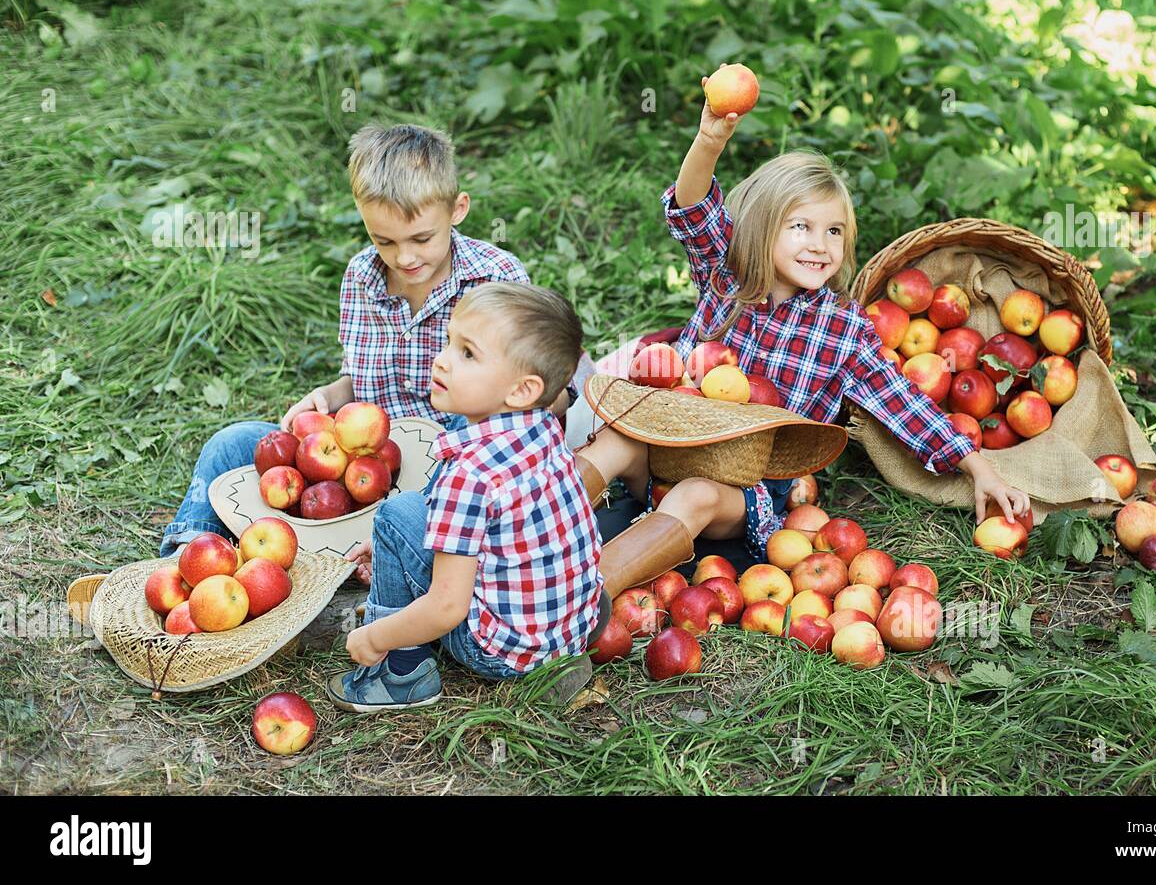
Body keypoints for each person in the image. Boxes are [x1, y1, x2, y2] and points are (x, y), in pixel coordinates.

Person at [574, 69, 1031, 596]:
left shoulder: (843, 329)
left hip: (739, 488)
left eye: (834, 231)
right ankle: (531, 525)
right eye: (801, 227)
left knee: (696, 495)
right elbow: (694, 207)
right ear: (761, 229)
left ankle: (586, 596)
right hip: (673, 444)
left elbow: (901, 402)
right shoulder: (728, 277)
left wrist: (977, 467)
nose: (820, 244)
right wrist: (708, 141)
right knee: (614, 440)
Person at [158, 124, 582, 580]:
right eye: (384, 240)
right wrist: (327, 397)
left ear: (457, 209)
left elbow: (528, 400)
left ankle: (391, 553)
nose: (403, 258)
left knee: (468, 425)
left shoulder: (495, 278)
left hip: (452, 472)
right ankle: (186, 563)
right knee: (234, 444)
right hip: (364, 464)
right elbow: (360, 380)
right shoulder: (362, 276)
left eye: (421, 239)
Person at [328, 283, 603, 711]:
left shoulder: (471, 475)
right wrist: (396, 547)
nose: (442, 359)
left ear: (521, 390)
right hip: (566, 629)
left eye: (467, 353)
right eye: (449, 342)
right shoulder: (541, 428)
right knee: (405, 522)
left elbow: (446, 608)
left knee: (396, 512)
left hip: (497, 651)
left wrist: (373, 637)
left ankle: (401, 673)